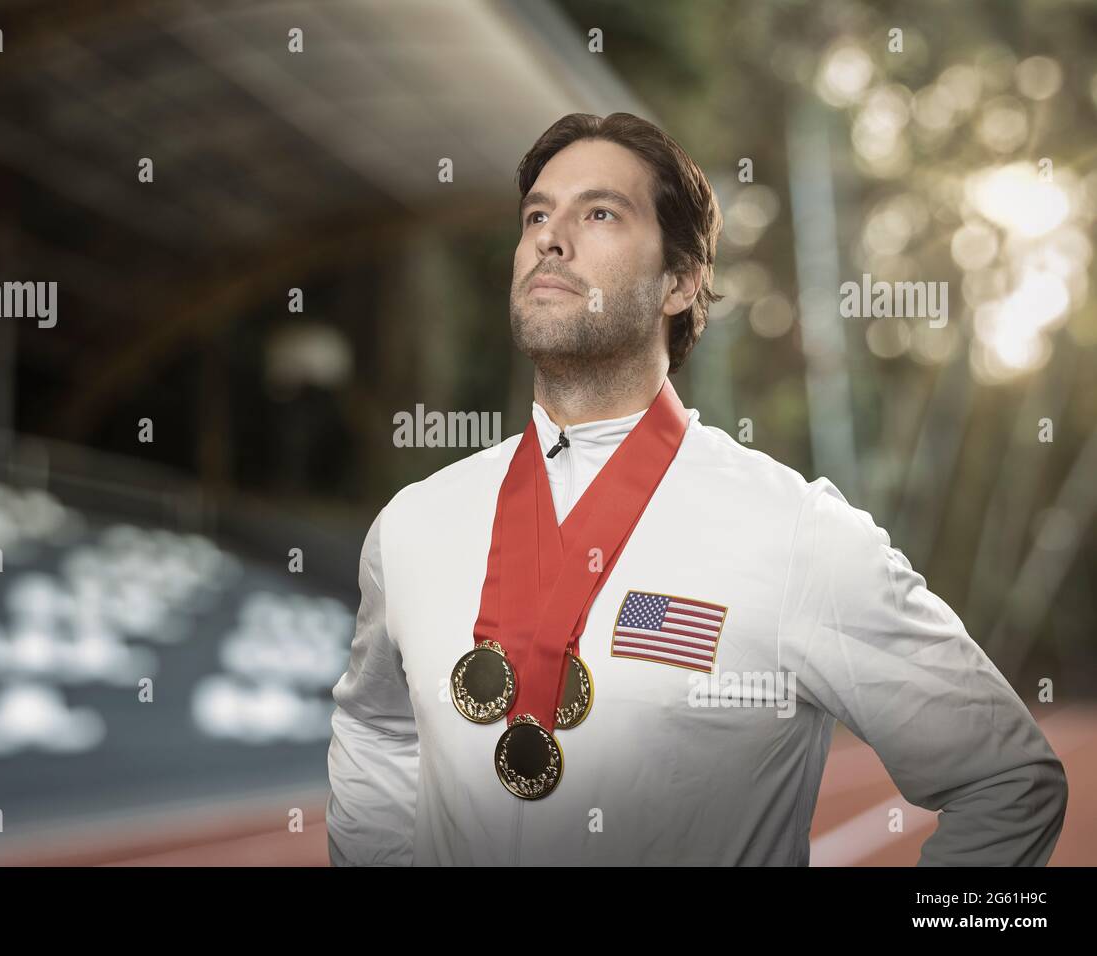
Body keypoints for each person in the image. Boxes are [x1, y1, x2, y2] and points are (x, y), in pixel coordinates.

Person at [325, 112, 1068, 866]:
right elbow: (376, 730)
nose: (551, 237)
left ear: (679, 282)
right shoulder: (414, 524)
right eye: (537, 215)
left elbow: (1008, 782)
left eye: (601, 213)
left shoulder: (796, 534)